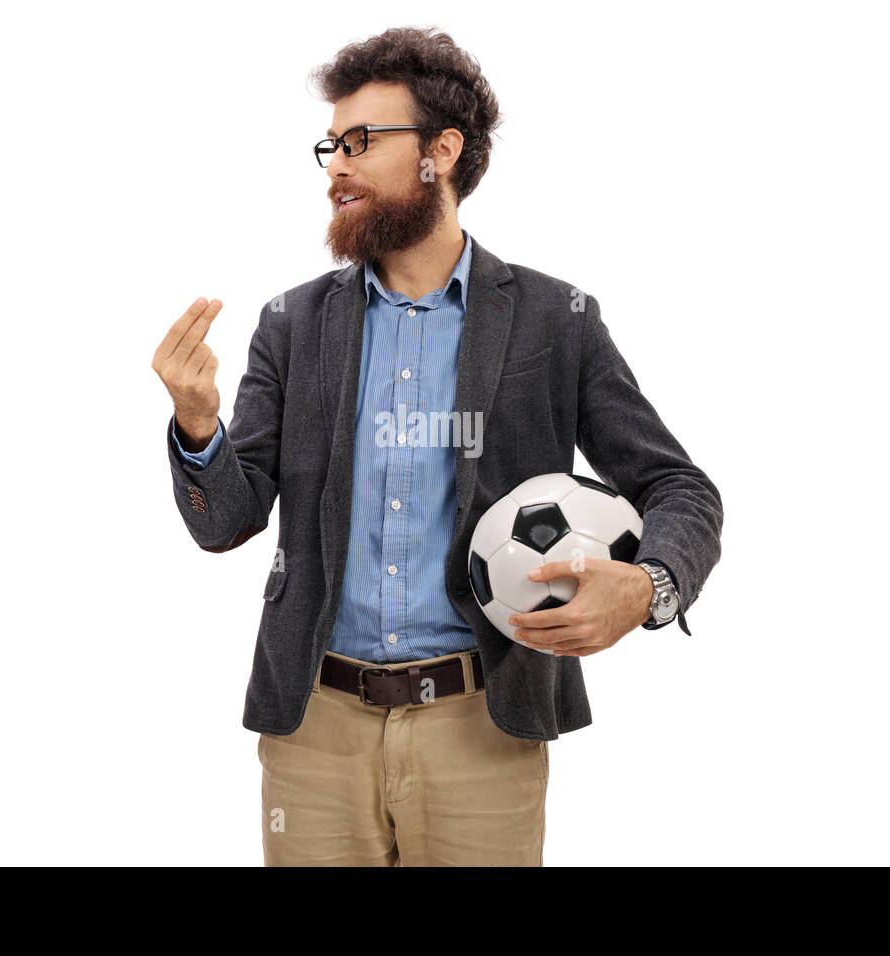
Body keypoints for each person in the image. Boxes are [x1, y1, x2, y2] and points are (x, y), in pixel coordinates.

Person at [150, 26, 723, 866]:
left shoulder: (552, 320)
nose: (336, 166)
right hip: (314, 730)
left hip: (483, 728)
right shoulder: (291, 325)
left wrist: (648, 586)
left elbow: (680, 488)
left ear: (441, 153)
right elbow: (223, 523)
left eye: (361, 142)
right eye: (330, 146)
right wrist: (199, 428)